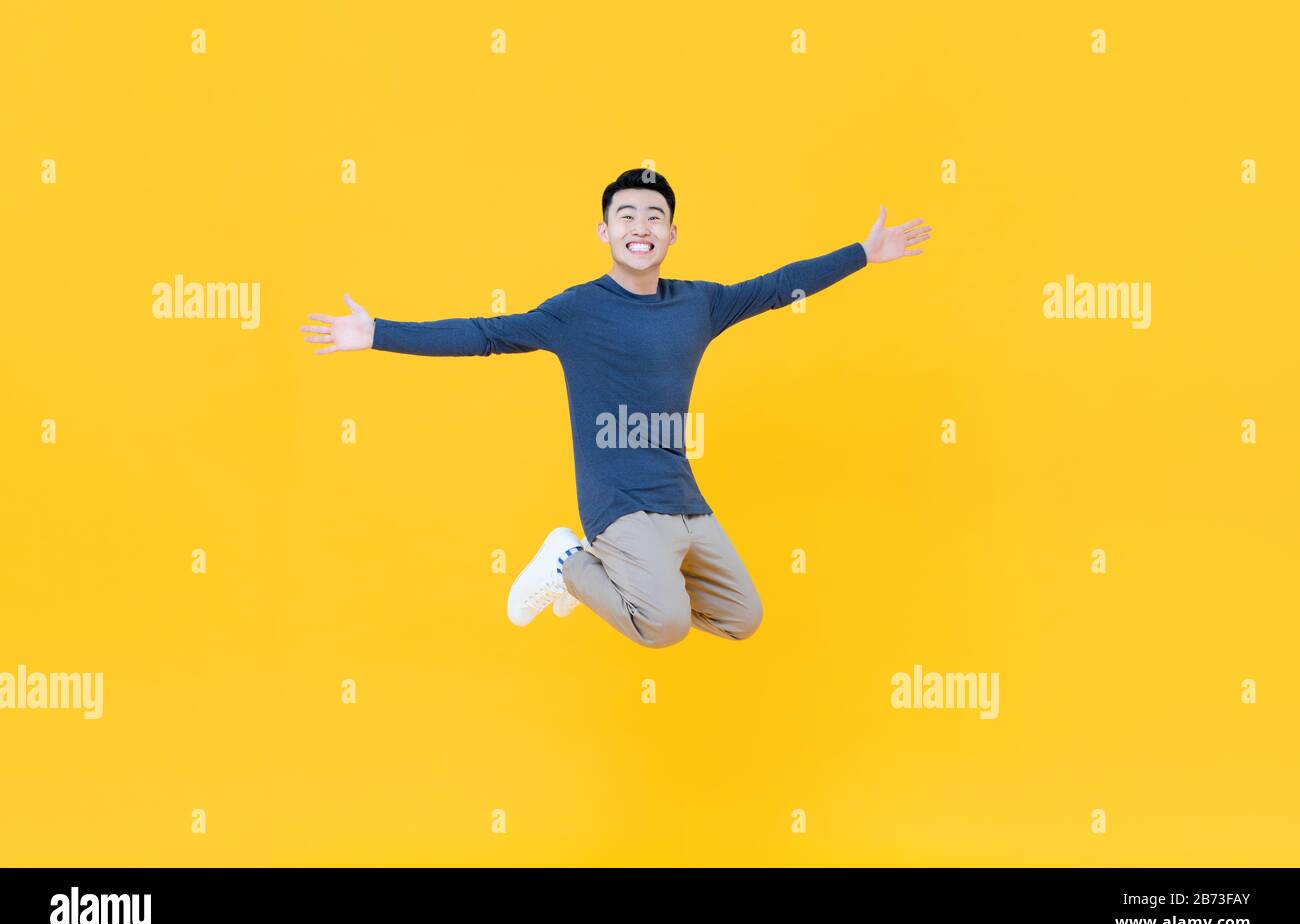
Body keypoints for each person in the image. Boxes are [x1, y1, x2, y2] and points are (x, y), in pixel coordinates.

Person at [302, 169, 930, 649]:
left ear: (673, 233)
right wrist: (379, 332)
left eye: (655, 216)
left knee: (742, 618)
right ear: (604, 231)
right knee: (663, 627)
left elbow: (774, 287)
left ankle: (615, 578)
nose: (641, 225)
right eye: (625, 214)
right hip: (618, 503)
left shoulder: (700, 304)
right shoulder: (577, 311)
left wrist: (862, 254)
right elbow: (485, 333)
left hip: (684, 499)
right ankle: (565, 560)